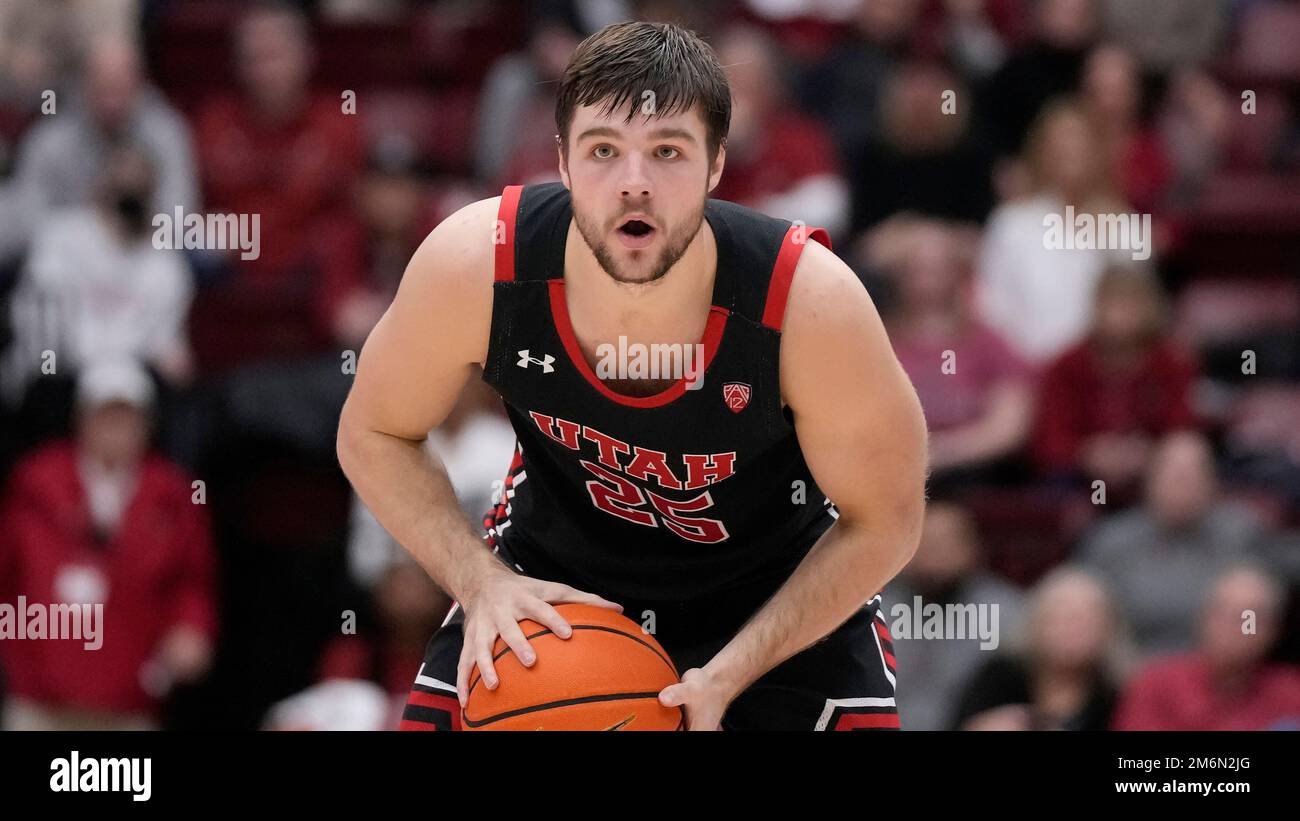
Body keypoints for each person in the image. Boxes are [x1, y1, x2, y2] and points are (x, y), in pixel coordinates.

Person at [337, 21, 927, 731]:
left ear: (715, 165)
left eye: (668, 152)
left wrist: (736, 669)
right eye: (604, 151)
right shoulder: (478, 265)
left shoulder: (808, 303)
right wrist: (479, 579)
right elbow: (372, 432)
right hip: (552, 588)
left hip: (776, 605)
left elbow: (887, 518)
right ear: (560, 159)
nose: (634, 185)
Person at [0, 357, 216, 730]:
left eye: (127, 418)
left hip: (129, 693)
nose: (116, 430)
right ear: (81, 419)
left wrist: (192, 628)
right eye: (105, 416)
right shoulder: (36, 483)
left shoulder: (171, 494)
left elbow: (192, 581)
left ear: (147, 424)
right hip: (40, 694)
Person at [1112, 565, 1300, 730]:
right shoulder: (1156, 685)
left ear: (1273, 630)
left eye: (1250, 618)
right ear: (1203, 618)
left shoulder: (1291, 692)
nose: (1239, 628)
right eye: (1226, 613)